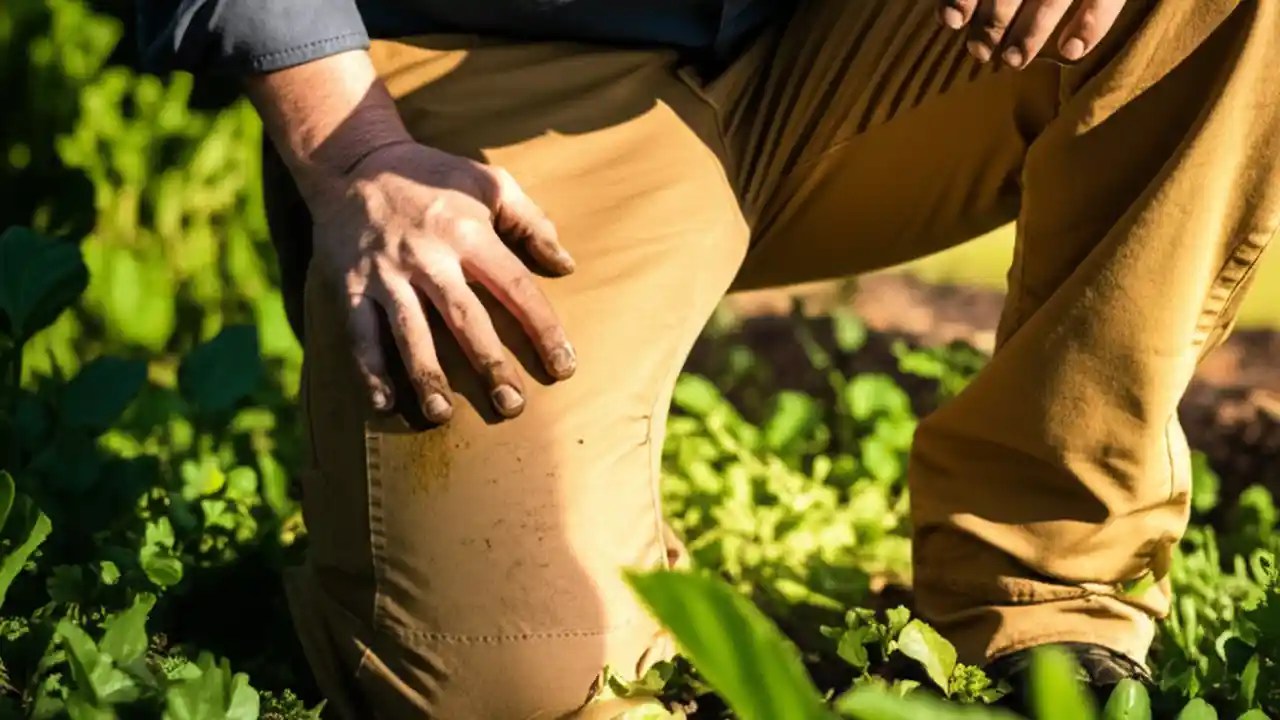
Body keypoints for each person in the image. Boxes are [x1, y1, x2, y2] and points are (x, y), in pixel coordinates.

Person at [139, 0, 1278, 717]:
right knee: (515, 685)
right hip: (472, 74)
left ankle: (1046, 595)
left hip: (851, 37)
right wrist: (351, 152)